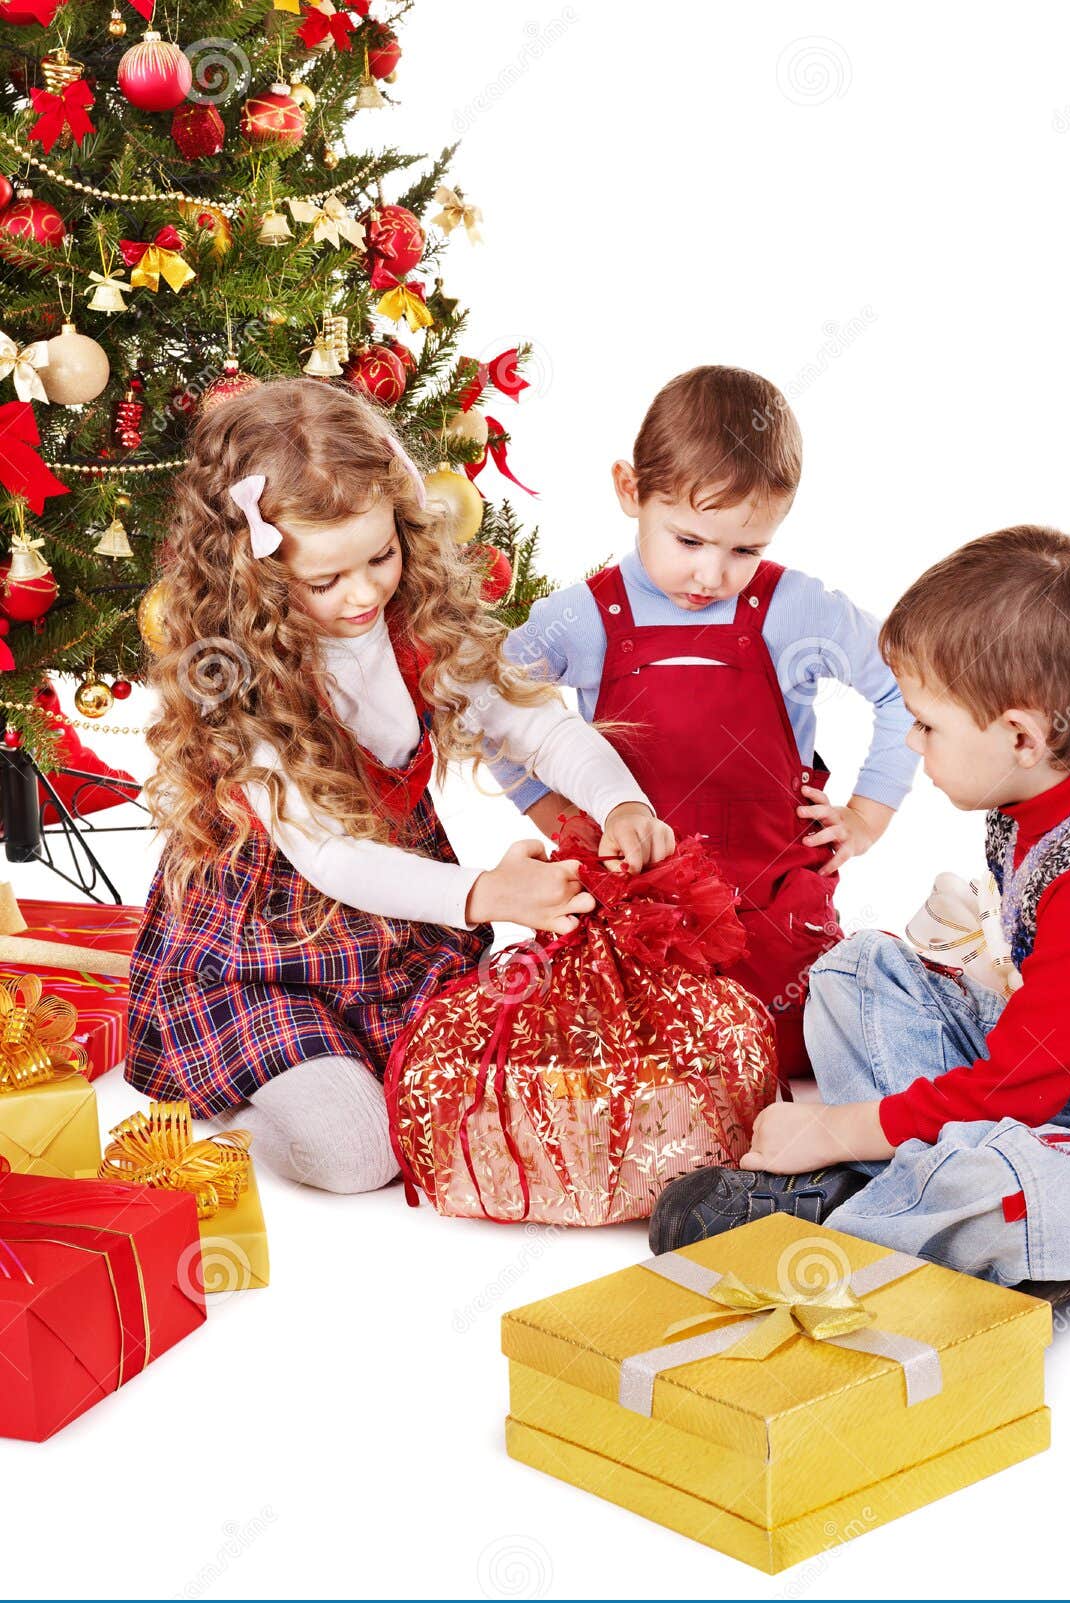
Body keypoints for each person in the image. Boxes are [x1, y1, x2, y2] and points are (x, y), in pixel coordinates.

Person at [650, 526, 1070, 1299]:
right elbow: (1034, 1038)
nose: (912, 742)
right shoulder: (1042, 791)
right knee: (854, 971)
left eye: (925, 724)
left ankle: (856, 1220)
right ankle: (921, 1200)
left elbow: (1016, 1087)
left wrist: (834, 1125)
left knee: (1009, 1189)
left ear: (1021, 735)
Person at [126, 378, 673, 1194]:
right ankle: (236, 1098)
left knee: (483, 1077)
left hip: (395, 936)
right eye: (323, 580)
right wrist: (487, 893)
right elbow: (335, 860)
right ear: (256, 575)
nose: (363, 594)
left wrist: (620, 801)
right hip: (262, 951)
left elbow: (536, 726)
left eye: (380, 556)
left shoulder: (412, 622)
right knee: (360, 1157)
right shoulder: (237, 683)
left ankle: (353, 1063)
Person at [485, 365, 918, 1074]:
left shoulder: (795, 610)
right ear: (631, 491)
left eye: (745, 549)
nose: (711, 576)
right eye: (688, 541)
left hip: (771, 901)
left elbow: (904, 685)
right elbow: (487, 708)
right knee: (626, 1061)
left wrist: (868, 813)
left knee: (808, 1057)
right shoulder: (581, 618)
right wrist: (555, 813)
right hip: (640, 907)